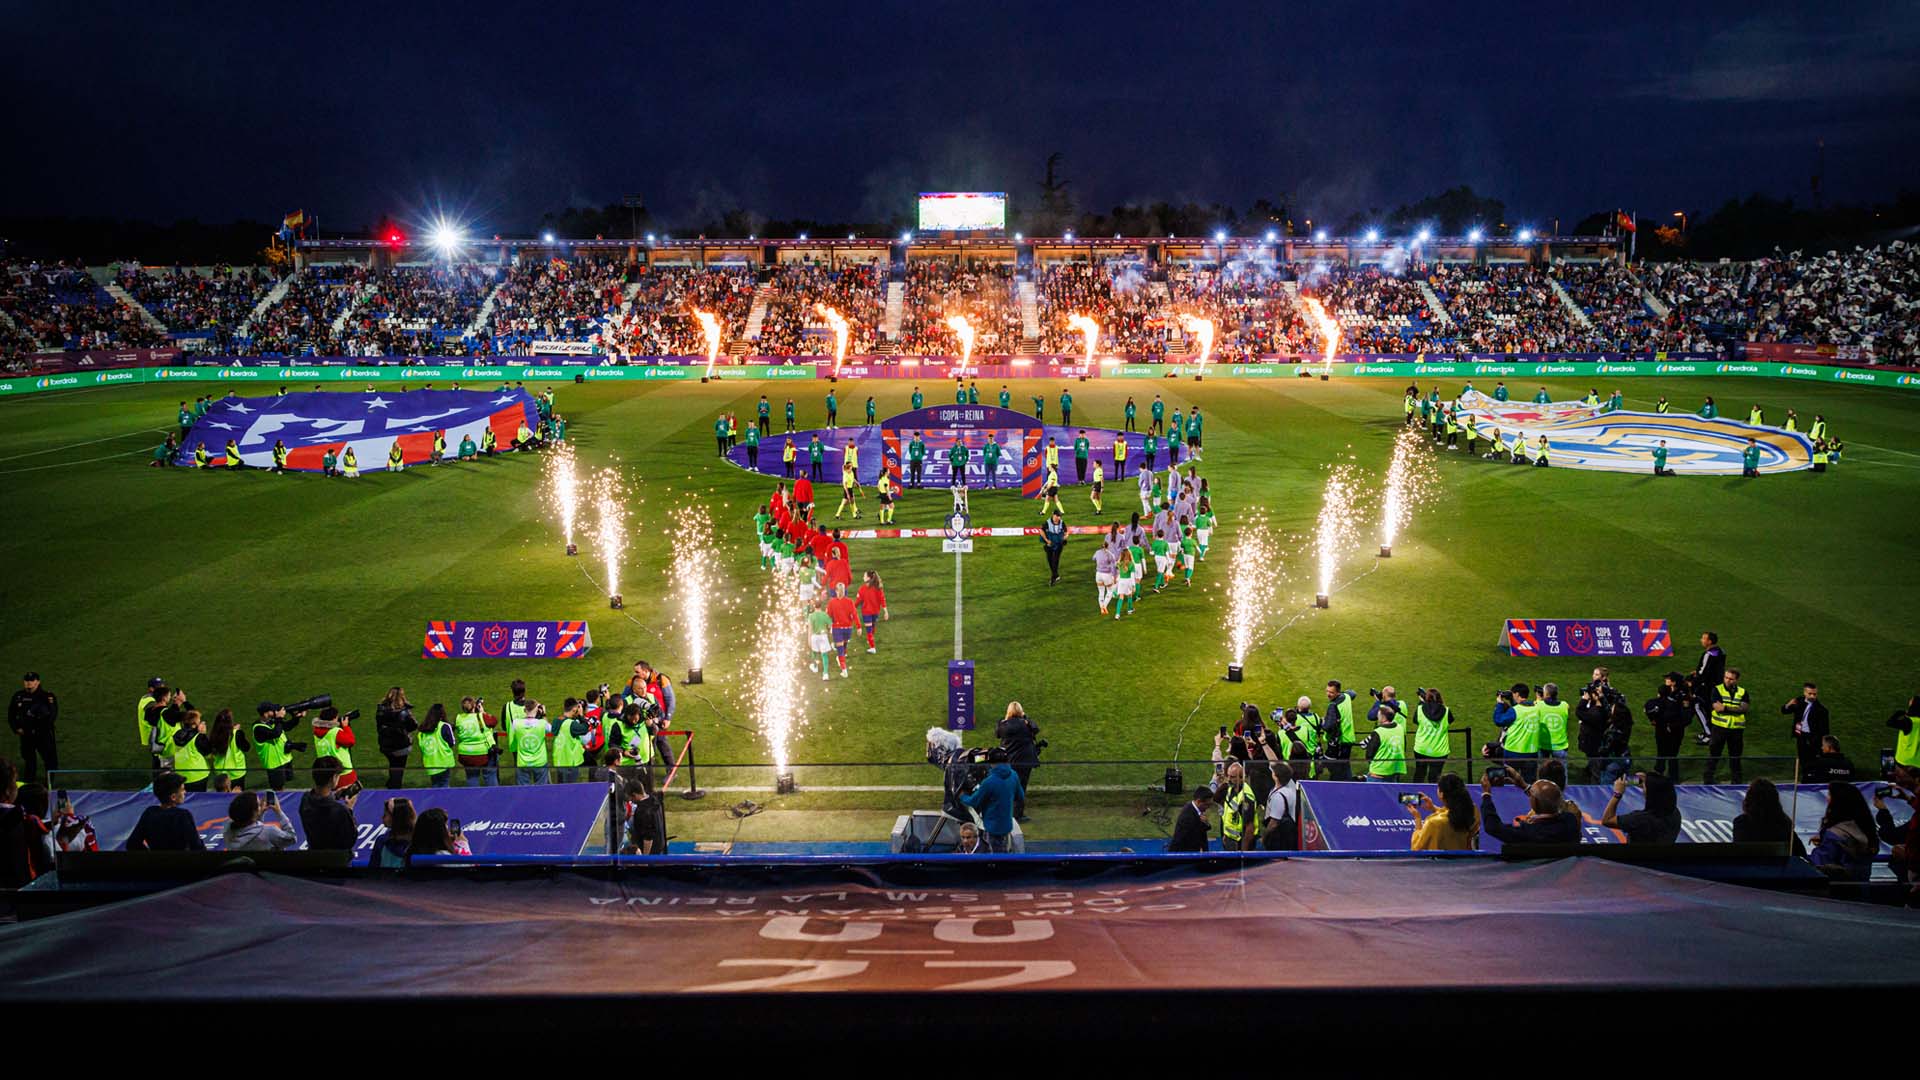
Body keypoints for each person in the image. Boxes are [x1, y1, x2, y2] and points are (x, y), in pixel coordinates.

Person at [1479, 773, 1581, 845]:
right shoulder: (1570, 822)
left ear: (1534, 803)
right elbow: (1550, 800)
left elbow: (1492, 827)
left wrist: (1486, 794)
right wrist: (1523, 785)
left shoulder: (1525, 833)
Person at [1809, 782, 1877, 881]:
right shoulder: (1866, 828)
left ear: (1838, 801)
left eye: (1829, 795)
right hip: (1862, 887)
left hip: (1836, 889)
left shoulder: (1834, 835)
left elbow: (1819, 865)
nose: (1827, 798)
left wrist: (1823, 844)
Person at [123, 772, 205, 852]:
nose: (185, 792)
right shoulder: (183, 815)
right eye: (182, 789)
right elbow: (196, 847)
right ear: (173, 797)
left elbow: (132, 844)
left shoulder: (149, 813)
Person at [959, 757, 1023, 852]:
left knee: (992, 855)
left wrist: (962, 796)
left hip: (992, 827)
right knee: (1003, 849)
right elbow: (1020, 796)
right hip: (1006, 824)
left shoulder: (989, 782)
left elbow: (973, 801)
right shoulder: (1013, 775)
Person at [1701, 666, 1750, 784]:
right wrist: (1735, 709)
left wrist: (1726, 708)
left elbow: (1744, 709)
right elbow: (1717, 708)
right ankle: (1708, 779)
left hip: (1736, 730)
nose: (1728, 680)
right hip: (1719, 728)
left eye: (1731, 679)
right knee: (1714, 754)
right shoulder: (1717, 690)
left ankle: (1736, 780)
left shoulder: (1743, 692)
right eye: (1726, 677)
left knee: (1735, 756)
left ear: (1737, 680)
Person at [1602, 772, 1682, 843]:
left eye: (1644, 787)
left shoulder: (1639, 820)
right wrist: (1647, 781)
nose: (1643, 788)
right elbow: (1659, 790)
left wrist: (1617, 794)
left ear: (1650, 794)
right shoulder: (1675, 813)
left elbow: (1607, 820)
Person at [1732, 778, 1806, 854]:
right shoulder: (1784, 822)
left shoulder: (1741, 822)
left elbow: (1739, 852)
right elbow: (1801, 853)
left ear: (1749, 799)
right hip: (1779, 864)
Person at [7, 672, 57, 783]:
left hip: (43, 735)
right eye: (26, 680)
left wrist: (41, 729)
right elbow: (11, 715)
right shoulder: (18, 696)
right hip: (26, 735)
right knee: (30, 762)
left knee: (49, 761)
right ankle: (29, 787)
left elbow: (52, 716)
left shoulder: (47, 696)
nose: (29, 683)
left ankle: (48, 785)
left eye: (32, 680)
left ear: (38, 682)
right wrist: (16, 728)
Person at [299, 758, 358, 852]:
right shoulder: (340, 811)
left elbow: (319, 801)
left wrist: (333, 796)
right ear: (333, 778)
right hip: (335, 859)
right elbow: (349, 840)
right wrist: (349, 808)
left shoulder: (305, 799)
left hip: (314, 854)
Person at [1408, 773, 1480, 851]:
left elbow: (1416, 848)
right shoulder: (1473, 810)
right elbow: (1453, 815)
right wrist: (1434, 808)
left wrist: (1417, 818)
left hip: (1438, 862)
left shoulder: (1433, 823)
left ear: (1441, 794)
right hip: (1465, 861)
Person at [996, 702, 1041, 821]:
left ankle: (1004, 812)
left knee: (1006, 787)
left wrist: (1002, 720)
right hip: (1025, 761)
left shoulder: (1003, 724)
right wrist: (1026, 718)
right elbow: (1036, 729)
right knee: (1021, 787)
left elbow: (997, 734)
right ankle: (1018, 814)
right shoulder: (1026, 724)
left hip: (1009, 761)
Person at [222, 790, 297, 851]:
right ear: (254, 812)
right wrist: (279, 812)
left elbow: (251, 829)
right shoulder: (269, 832)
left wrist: (259, 814)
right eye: (258, 804)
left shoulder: (228, 829)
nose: (260, 805)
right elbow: (292, 838)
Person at [1781, 682, 1830, 772]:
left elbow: (1825, 730)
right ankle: (1804, 774)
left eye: (1814, 694)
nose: (1812, 696)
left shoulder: (1821, 710)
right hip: (1801, 736)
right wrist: (1788, 705)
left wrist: (1821, 743)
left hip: (1813, 738)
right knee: (1802, 757)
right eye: (1810, 694)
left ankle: (1811, 775)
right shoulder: (1799, 701)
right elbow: (1784, 711)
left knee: (1812, 760)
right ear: (1804, 693)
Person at [374, 686, 417, 789]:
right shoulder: (404, 712)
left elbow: (379, 726)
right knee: (398, 768)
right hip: (401, 746)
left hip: (385, 744)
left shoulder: (381, 709)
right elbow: (413, 726)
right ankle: (395, 789)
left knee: (393, 764)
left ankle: (391, 783)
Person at [453, 695, 500, 786]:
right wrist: (483, 712)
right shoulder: (482, 716)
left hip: (466, 754)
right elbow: (494, 721)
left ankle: (473, 799)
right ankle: (495, 797)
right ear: (474, 706)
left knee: (471, 777)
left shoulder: (458, 718)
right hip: (483, 754)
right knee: (490, 776)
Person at [1410, 688, 1451, 782]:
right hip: (1439, 751)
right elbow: (1450, 720)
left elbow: (1415, 720)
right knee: (1435, 778)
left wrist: (1422, 703)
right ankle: (1434, 796)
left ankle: (1416, 795)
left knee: (1419, 774)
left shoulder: (1420, 709)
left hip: (1422, 749)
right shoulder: (1447, 711)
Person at [1322, 680, 1359, 780]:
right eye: (1327, 691)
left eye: (1331, 692)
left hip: (1340, 742)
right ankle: (1349, 783)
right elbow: (1353, 693)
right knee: (1345, 765)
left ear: (1338, 692)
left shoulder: (1333, 706)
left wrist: (1322, 722)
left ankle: (1340, 787)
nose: (1328, 694)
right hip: (1349, 738)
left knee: (1337, 770)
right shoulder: (1346, 696)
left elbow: (1328, 727)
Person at [371, 797, 416, 868]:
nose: (382, 817)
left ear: (396, 817)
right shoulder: (382, 840)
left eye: (385, 814)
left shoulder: (382, 841)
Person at [1167, 786, 1214, 853]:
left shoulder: (1195, 810)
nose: (1208, 807)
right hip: (1186, 855)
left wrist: (1206, 823)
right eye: (1207, 805)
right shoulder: (1187, 816)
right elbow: (1180, 838)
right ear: (1198, 801)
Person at [856, 570, 888, 653]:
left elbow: (858, 602)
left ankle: (872, 647)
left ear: (868, 578)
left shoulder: (862, 589)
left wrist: (851, 608)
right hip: (876, 612)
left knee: (869, 630)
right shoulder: (878, 587)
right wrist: (885, 611)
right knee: (872, 628)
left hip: (867, 612)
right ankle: (871, 640)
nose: (863, 577)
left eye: (864, 576)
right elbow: (882, 599)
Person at [1040, 511, 1067, 585]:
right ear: (1053, 515)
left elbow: (1066, 531)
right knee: (1050, 560)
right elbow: (1041, 530)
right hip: (1050, 544)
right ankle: (1056, 575)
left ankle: (1053, 578)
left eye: (1060, 516)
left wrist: (1065, 537)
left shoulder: (1061, 522)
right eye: (1057, 516)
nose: (1059, 517)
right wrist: (1046, 540)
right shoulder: (1047, 522)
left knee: (1055, 560)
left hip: (1058, 544)